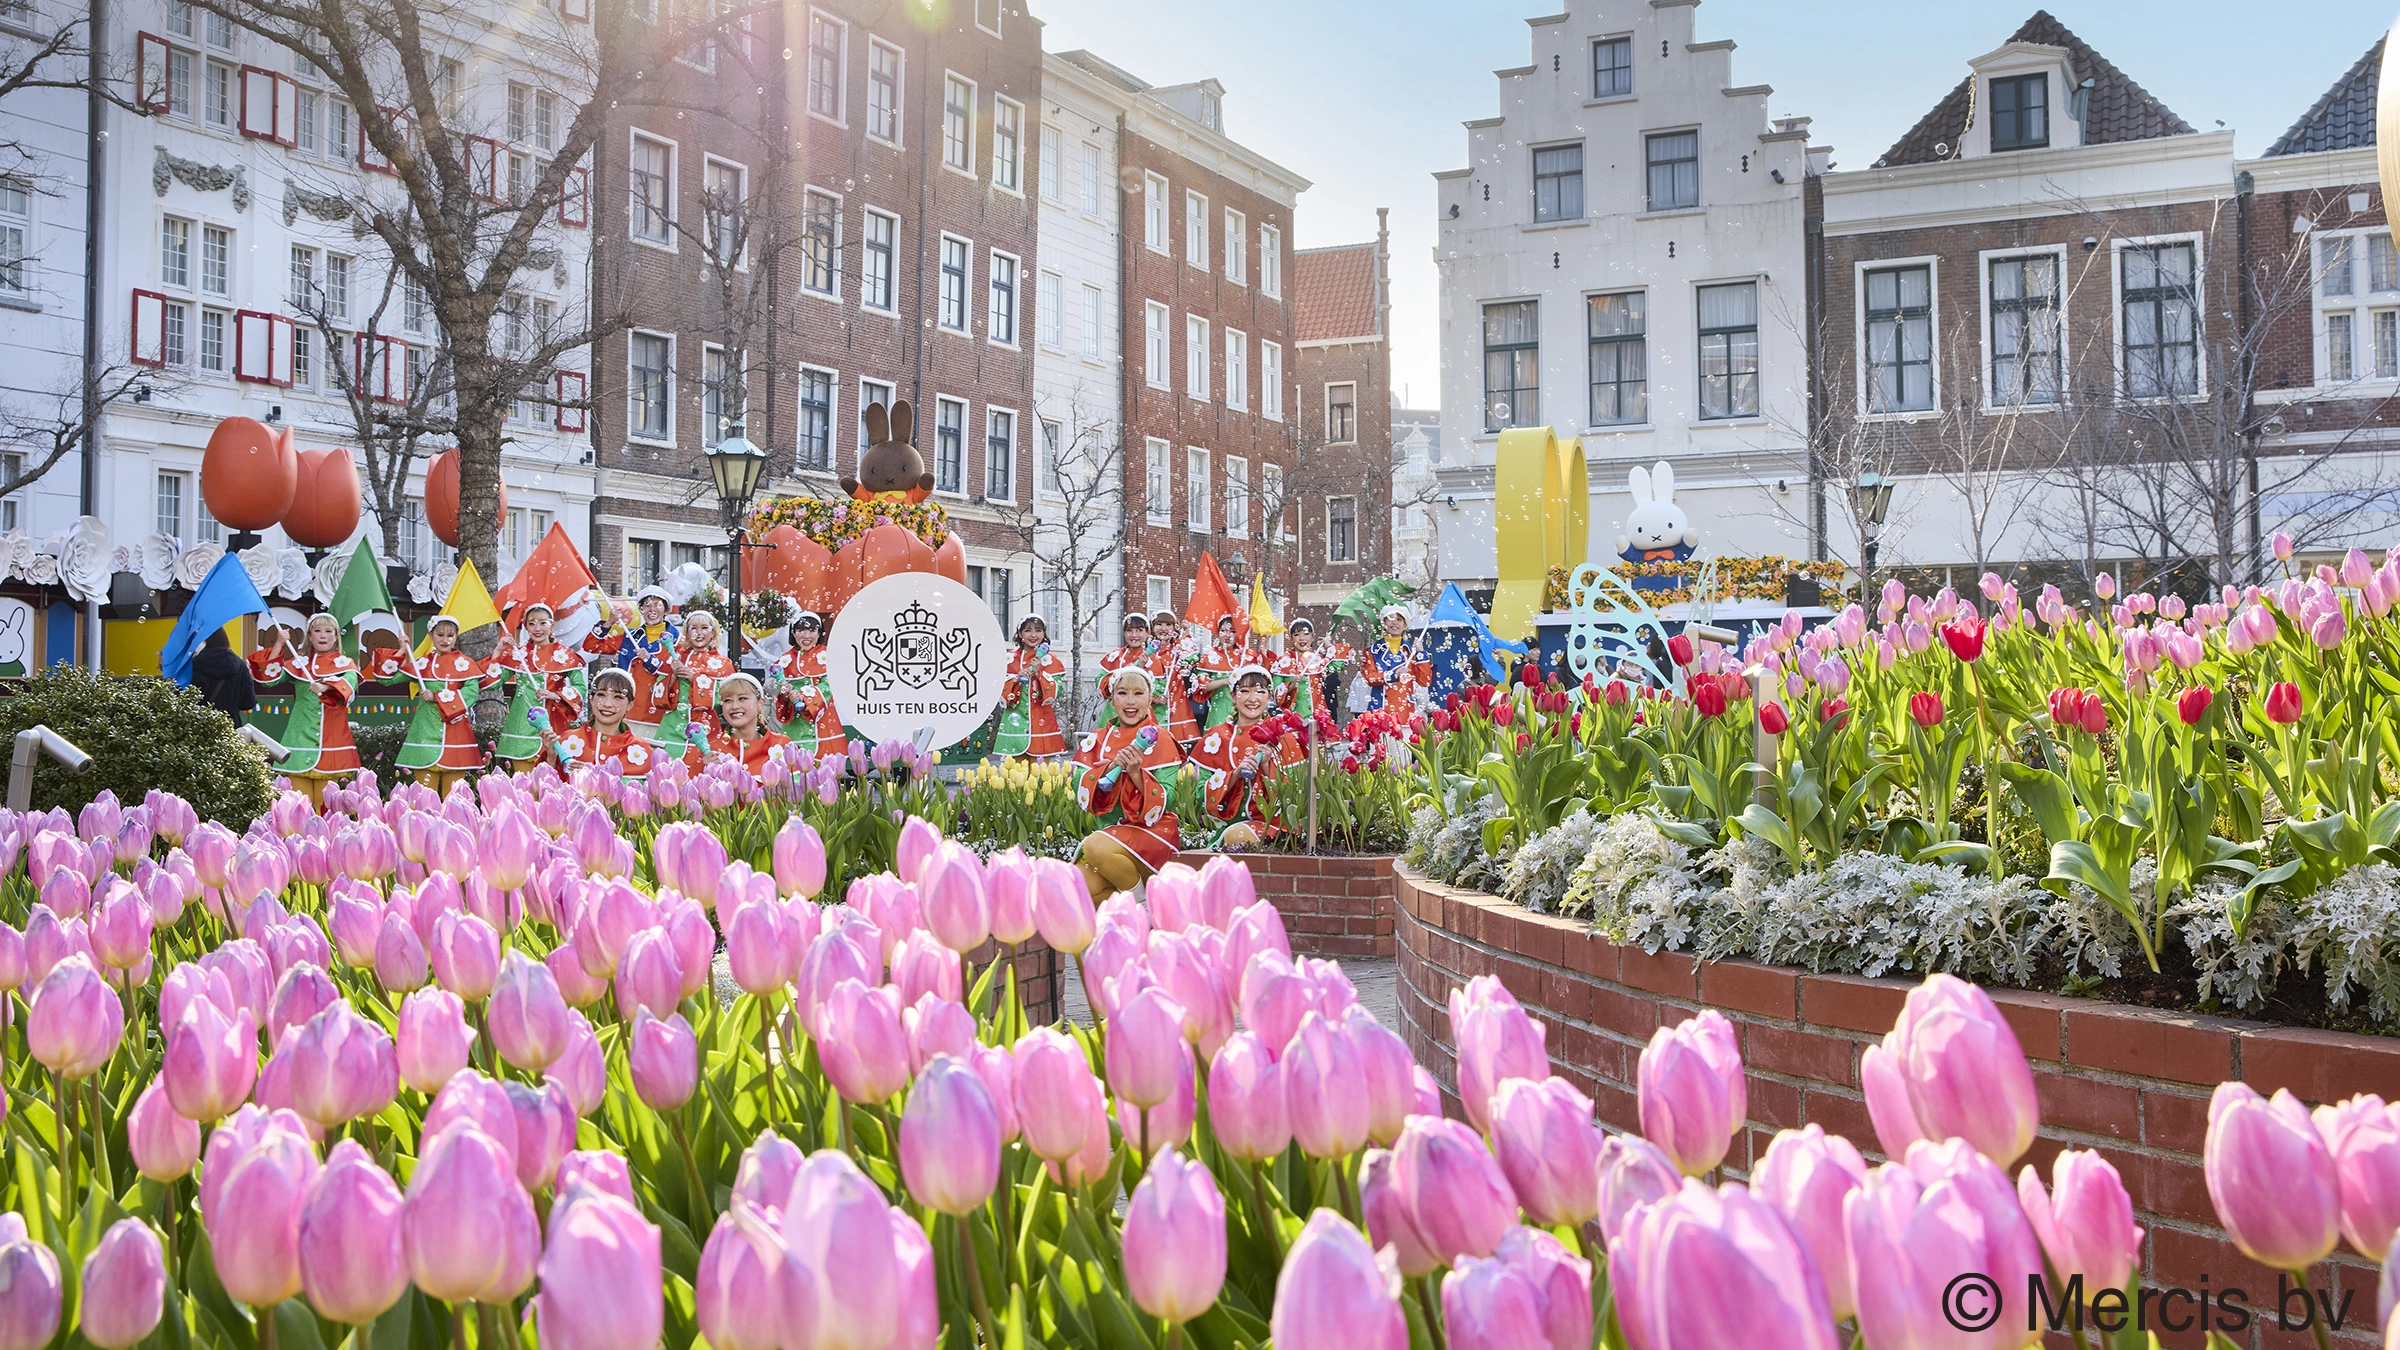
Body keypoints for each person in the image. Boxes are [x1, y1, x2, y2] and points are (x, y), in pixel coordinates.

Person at [1071, 666, 1184, 904]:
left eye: (1138, 694)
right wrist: (1111, 768)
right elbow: (1077, 784)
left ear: (1150, 698)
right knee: (1078, 888)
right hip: (1109, 840)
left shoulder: (1161, 738)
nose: (1130, 702)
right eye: (1122, 693)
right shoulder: (1098, 738)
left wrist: (1135, 774)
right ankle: (1148, 906)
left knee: (1095, 847)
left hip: (1151, 834)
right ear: (1112, 698)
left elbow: (1169, 797)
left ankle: (1142, 903)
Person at [1189, 666, 1307, 849]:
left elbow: (1297, 796)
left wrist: (1268, 767)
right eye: (1244, 691)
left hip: (1275, 831)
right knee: (1233, 836)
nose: (1253, 699)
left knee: (1237, 836)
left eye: (1260, 692)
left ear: (1268, 697)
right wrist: (1234, 775)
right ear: (1233, 697)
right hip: (1227, 830)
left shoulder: (1285, 737)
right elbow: (1200, 796)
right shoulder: (1217, 737)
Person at [377, 611, 490, 795]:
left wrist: (436, 696)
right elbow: (386, 679)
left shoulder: (466, 664)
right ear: (430, 635)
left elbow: (471, 693)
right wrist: (401, 651)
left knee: (453, 797)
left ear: (456, 637)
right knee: (424, 797)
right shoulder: (421, 664)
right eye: (440, 635)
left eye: (450, 635)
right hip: (424, 733)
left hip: (456, 735)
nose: (445, 640)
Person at [267, 612, 362, 808]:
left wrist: (327, 686)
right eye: (317, 631)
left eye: (328, 631)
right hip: (299, 737)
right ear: (309, 636)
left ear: (336, 636)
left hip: (332, 740)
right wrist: (279, 644)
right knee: (298, 804)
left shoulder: (345, 664)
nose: (322, 635)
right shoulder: (298, 663)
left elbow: (350, 683)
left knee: (326, 804)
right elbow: (269, 680)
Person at [493, 601, 589, 773]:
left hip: (554, 724)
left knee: (554, 783)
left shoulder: (565, 655)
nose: (537, 628)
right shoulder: (519, 653)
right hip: (521, 726)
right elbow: (493, 683)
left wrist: (556, 695)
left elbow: (581, 687)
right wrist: (497, 653)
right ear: (525, 627)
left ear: (551, 625)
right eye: (532, 623)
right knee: (523, 786)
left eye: (543, 622)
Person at [582, 585, 682, 740]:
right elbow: (591, 646)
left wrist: (650, 660)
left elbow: (675, 672)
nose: (652, 609)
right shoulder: (629, 637)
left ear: (667, 610)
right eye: (647, 605)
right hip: (626, 711)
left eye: (657, 605)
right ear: (641, 610)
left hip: (659, 712)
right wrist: (609, 622)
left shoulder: (679, 641)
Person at [551, 667, 656, 778]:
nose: (607, 704)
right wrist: (550, 757)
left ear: (630, 705)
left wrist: (595, 774)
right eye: (601, 695)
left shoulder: (642, 751)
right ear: (591, 698)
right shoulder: (567, 740)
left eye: (618, 697)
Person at [770, 612, 846, 758]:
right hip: (795, 723)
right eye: (800, 631)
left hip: (823, 719)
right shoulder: (785, 659)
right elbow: (780, 690)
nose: (806, 636)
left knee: (827, 767)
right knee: (794, 765)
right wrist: (785, 695)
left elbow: (828, 686)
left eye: (811, 631)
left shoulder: (828, 656)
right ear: (793, 633)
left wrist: (804, 698)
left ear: (819, 633)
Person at [684, 672, 790, 773]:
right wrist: (702, 770)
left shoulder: (782, 745)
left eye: (742, 698)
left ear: (760, 703)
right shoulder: (711, 751)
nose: (734, 706)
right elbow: (690, 789)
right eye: (727, 700)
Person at [996, 616, 1067, 759]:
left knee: (1041, 776)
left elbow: (1057, 689)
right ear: (1020, 634)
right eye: (1028, 630)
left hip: (1042, 724)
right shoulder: (1008, 658)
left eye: (1038, 630)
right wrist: (1015, 678)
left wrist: (1039, 673)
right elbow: (997, 689)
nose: (1033, 635)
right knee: (1014, 776)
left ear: (1044, 633)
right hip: (1013, 725)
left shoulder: (1050, 659)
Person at [666, 610, 737, 752]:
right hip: (673, 726)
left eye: (704, 628)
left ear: (713, 632)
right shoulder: (676, 658)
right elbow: (658, 695)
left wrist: (695, 679)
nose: (699, 633)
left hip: (707, 726)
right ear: (686, 632)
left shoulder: (723, 663)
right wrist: (673, 676)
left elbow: (729, 696)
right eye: (693, 628)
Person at [1363, 604, 1432, 716]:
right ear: (1384, 623)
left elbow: (1424, 681)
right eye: (1390, 619)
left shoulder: (1412, 652)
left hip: (1405, 710)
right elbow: (1370, 678)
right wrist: (1394, 674)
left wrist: (1421, 653)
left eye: (1399, 619)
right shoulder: (1372, 651)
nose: (1394, 622)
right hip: (1380, 710)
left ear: (1405, 625)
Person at [1273, 617, 1346, 722]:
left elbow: (1338, 664)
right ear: (1291, 638)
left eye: (1306, 634)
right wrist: (1290, 687)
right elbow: (1275, 692)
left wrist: (1328, 646)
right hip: (1293, 720)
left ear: (1313, 637)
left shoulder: (1317, 659)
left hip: (1319, 718)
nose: (1302, 638)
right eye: (1297, 635)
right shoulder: (1282, 663)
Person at [1150, 610, 1201, 748]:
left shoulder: (1178, 649)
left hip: (1177, 708)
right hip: (1153, 709)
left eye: (1168, 624)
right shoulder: (1147, 653)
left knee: (1178, 752)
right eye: (1159, 624)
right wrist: (1154, 698)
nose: (1163, 628)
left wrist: (1186, 634)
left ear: (1174, 628)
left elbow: (1193, 659)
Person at [1192, 615, 1242, 732]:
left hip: (1242, 712)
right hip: (1218, 712)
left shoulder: (1245, 656)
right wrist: (1225, 681)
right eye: (1223, 630)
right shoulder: (1209, 657)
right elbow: (1202, 687)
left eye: (1232, 631)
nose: (1227, 635)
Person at [193, 629, 256, 715]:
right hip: (231, 724)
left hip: (202, 723)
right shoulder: (240, 665)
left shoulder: (194, 665)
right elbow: (248, 703)